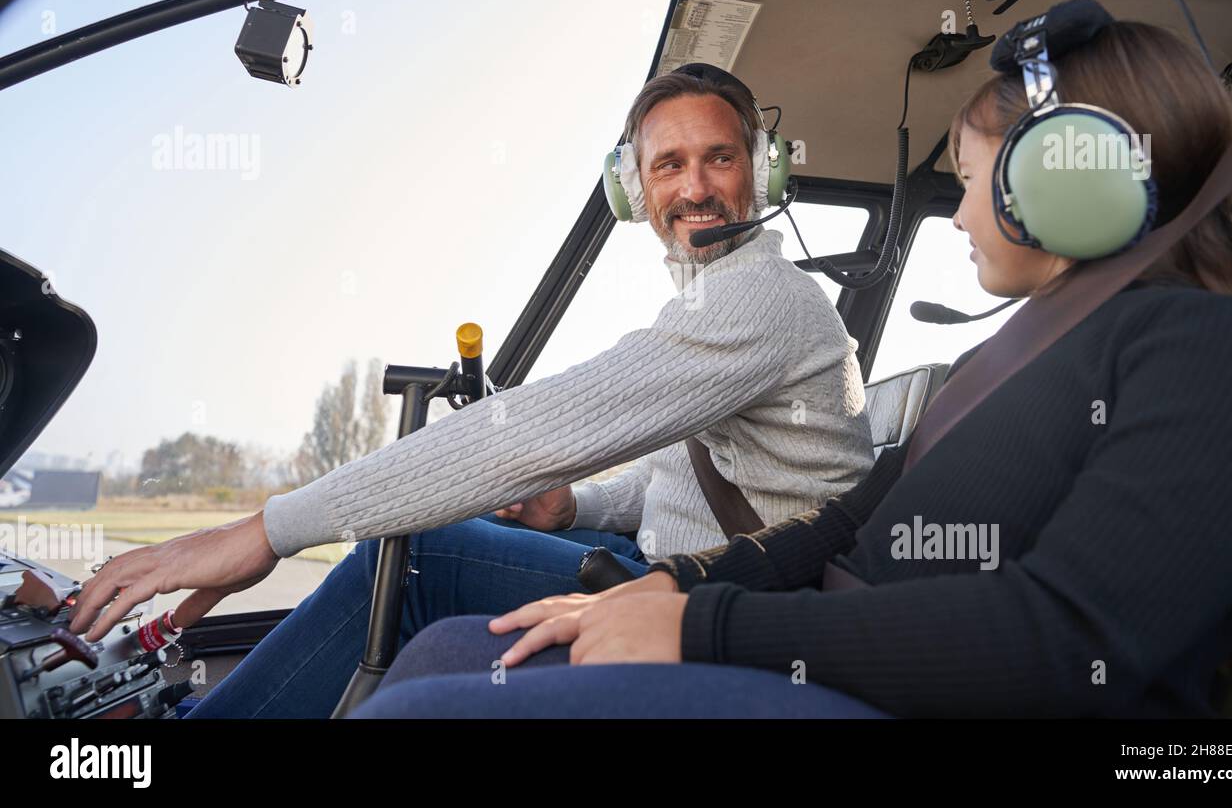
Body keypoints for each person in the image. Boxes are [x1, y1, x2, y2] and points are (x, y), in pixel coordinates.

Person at [347, 6, 1232, 718]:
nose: (962, 216)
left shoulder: (1229, 354)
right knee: (440, 656)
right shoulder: (1005, 354)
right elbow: (847, 524)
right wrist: (678, 585)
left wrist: (706, 627)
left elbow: (1066, 641)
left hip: (929, 696)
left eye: (971, 185)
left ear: (1069, 181)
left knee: (422, 707)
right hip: (841, 644)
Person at [66, 65, 876, 717]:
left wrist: (266, 531)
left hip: (745, 594)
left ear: (764, 169)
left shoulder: (757, 299)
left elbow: (521, 436)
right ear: (635, 190)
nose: (695, 187)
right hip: (674, 561)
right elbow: (679, 478)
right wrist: (575, 510)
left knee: (416, 556)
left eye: (720, 158)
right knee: (426, 541)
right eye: (670, 164)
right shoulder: (713, 298)